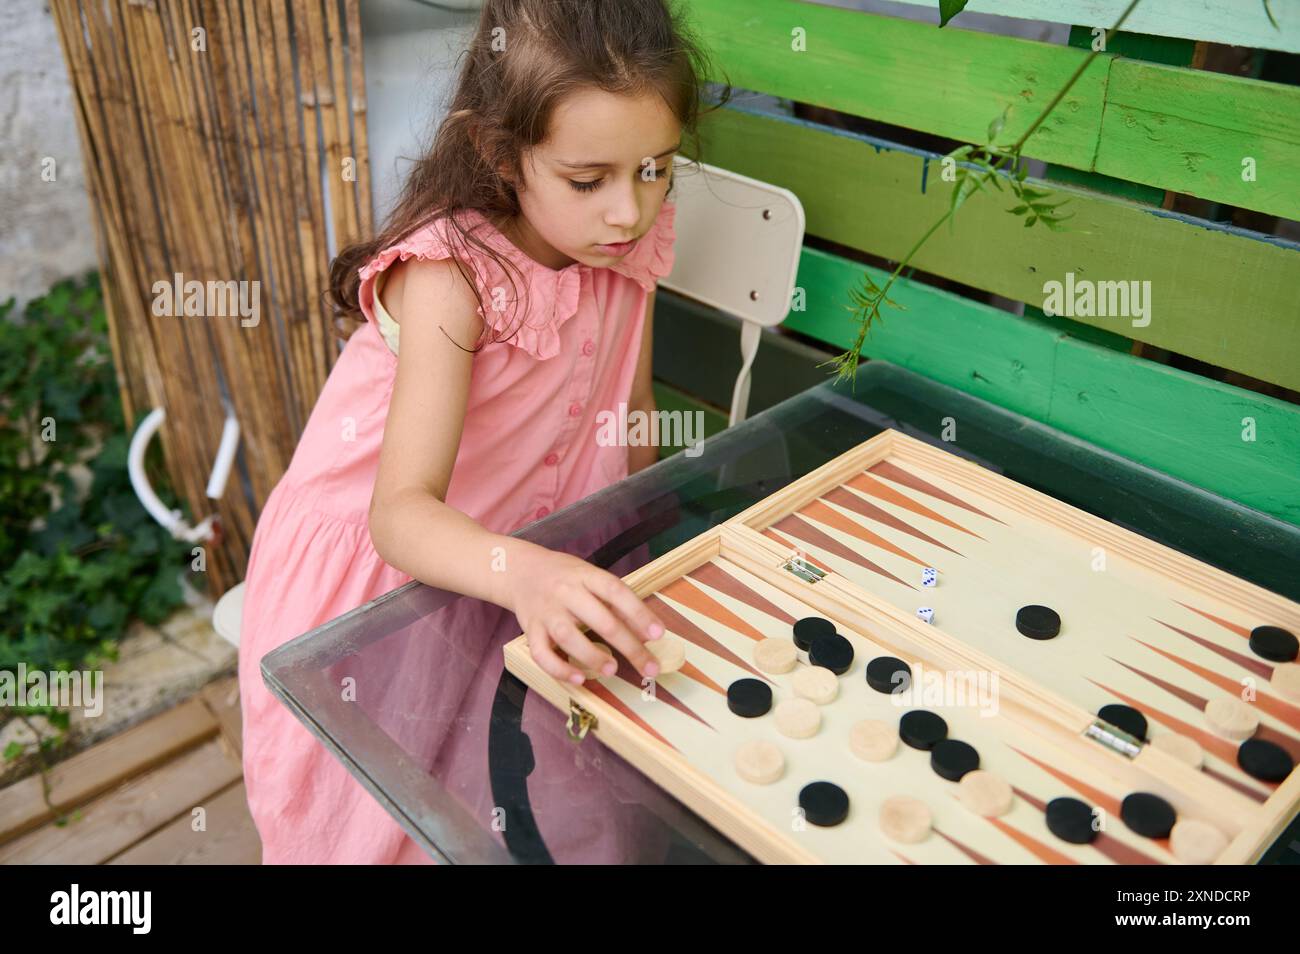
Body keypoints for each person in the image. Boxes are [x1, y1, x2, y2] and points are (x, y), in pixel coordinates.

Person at [237, 0, 730, 864]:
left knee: (544, 800)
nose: (629, 211)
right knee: (378, 830)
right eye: (589, 180)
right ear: (503, 155)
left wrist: (631, 548)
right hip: (386, 584)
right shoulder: (451, 278)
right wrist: (533, 574)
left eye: (656, 168)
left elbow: (630, 411)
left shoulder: (625, 243)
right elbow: (400, 513)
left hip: (527, 571)